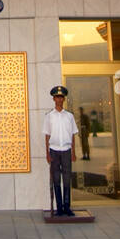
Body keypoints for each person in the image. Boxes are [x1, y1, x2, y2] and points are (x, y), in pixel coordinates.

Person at [43, 85, 79, 216]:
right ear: (53, 99)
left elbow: (73, 134)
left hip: (66, 150)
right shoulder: (49, 116)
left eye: (61, 97)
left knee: (67, 179)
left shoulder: (69, 116)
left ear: (64, 99)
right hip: (54, 150)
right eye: (57, 97)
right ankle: (59, 207)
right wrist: (47, 153)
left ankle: (66, 206)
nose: (59, 100)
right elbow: (47, 135)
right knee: (57, 179)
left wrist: (73, 152)